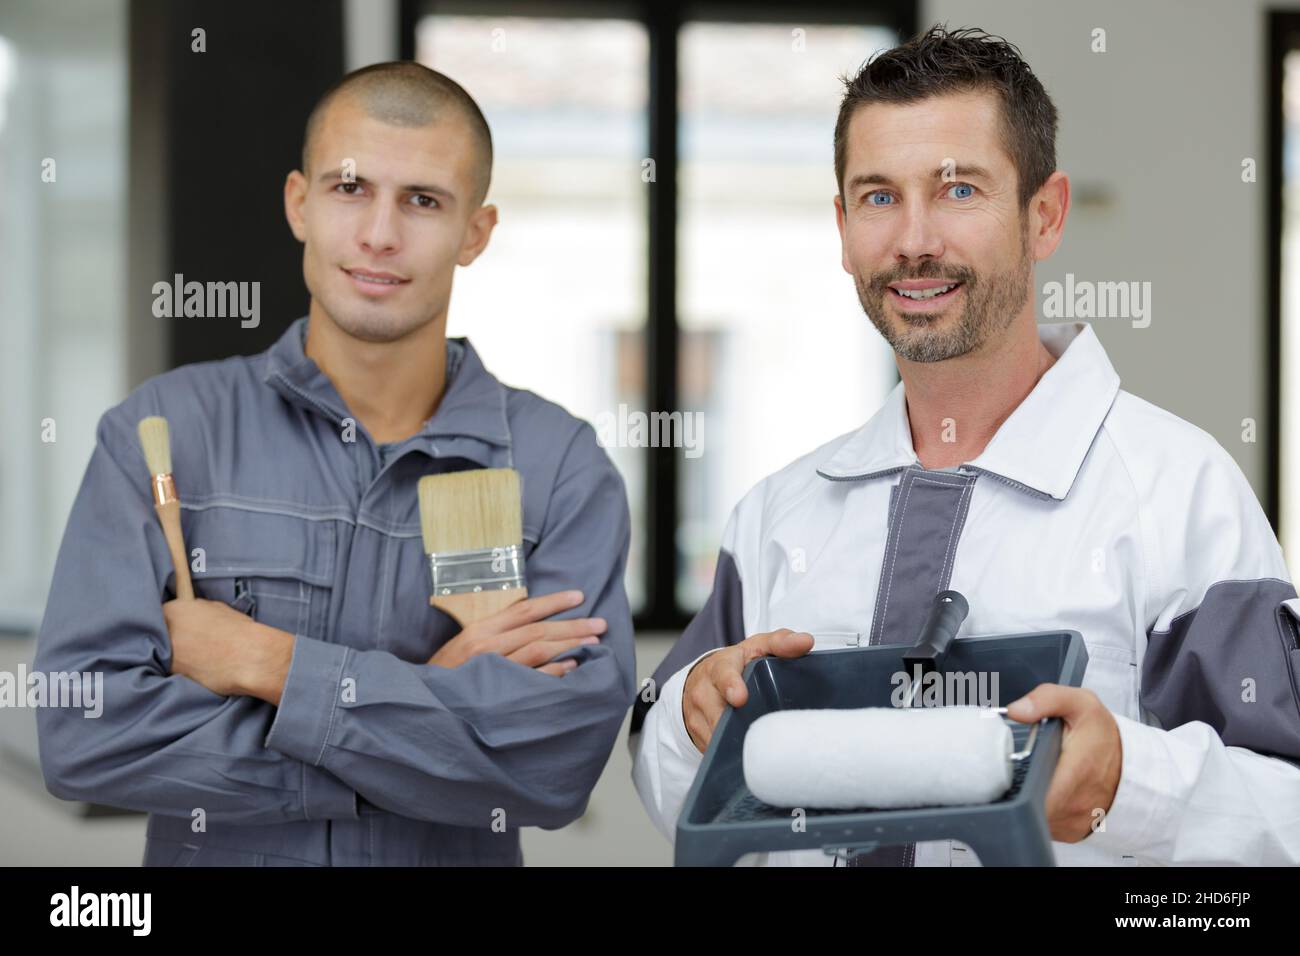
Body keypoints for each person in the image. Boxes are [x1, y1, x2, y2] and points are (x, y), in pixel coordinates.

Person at [630, 25, 1300, 866]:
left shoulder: (1179, 493)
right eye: (879, 197)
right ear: (842, 228)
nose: (914, 240)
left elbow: (1288, 804)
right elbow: (666, 772)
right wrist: (692, 723)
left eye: (957, 191)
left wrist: (1127, 784)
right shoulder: (780, 514)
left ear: (1044, 215)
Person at [34, 61, 635, 866]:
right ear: (299, 204)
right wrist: (425, 721)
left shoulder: (558, 466)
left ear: (475, 233)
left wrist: (265, 662)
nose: (380, 234)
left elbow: (552, 767)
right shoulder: (163, 431)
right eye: (351, 189)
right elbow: (84, 733)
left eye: (422, 200)